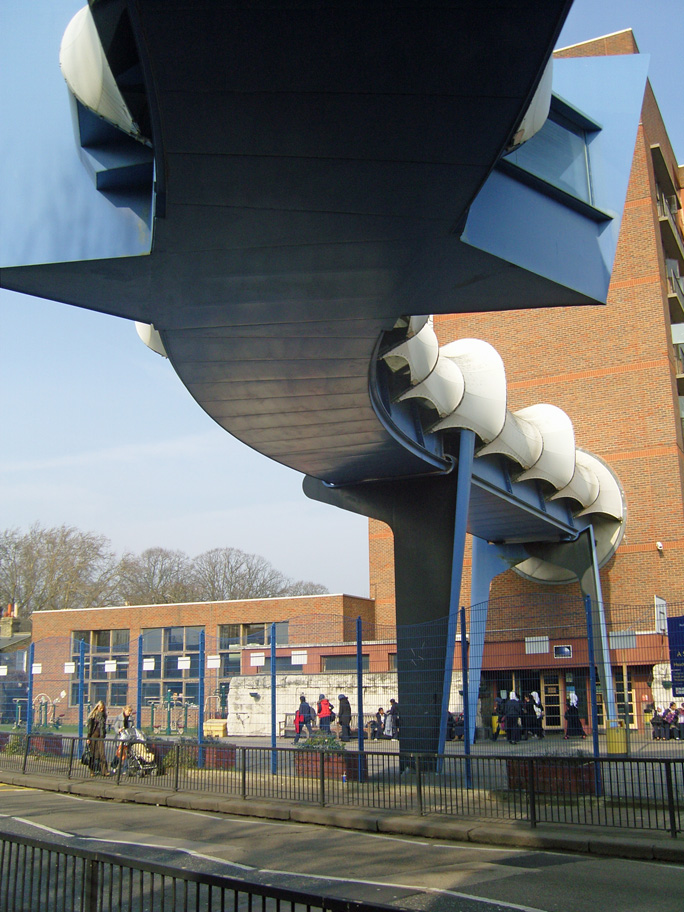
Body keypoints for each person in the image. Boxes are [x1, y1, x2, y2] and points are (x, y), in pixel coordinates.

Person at [86, 700, 109, 776]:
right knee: (92, 753)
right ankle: (92, 770)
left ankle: (104, 771)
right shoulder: (93, 715)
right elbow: (90, 727)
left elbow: (103, 727)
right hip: (93, 735)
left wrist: (103, 735)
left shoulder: (104, 715)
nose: (101, 710)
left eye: (103, 708)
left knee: (102, 753)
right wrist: (88, 737)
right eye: (100, 708)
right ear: (97, 707)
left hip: (100, 736)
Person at [111, 704, 134, 774]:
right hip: (120, 738)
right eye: (128, 711)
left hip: (127, 738)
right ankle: (114, 766)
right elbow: (115, 727)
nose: (129, 713)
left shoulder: (131, 719)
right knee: (119, 754)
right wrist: (119, 730)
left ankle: (125, 769)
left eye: (130, 712)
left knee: (127, 754)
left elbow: (132, 727)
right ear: (125, 710)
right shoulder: (119, 717)